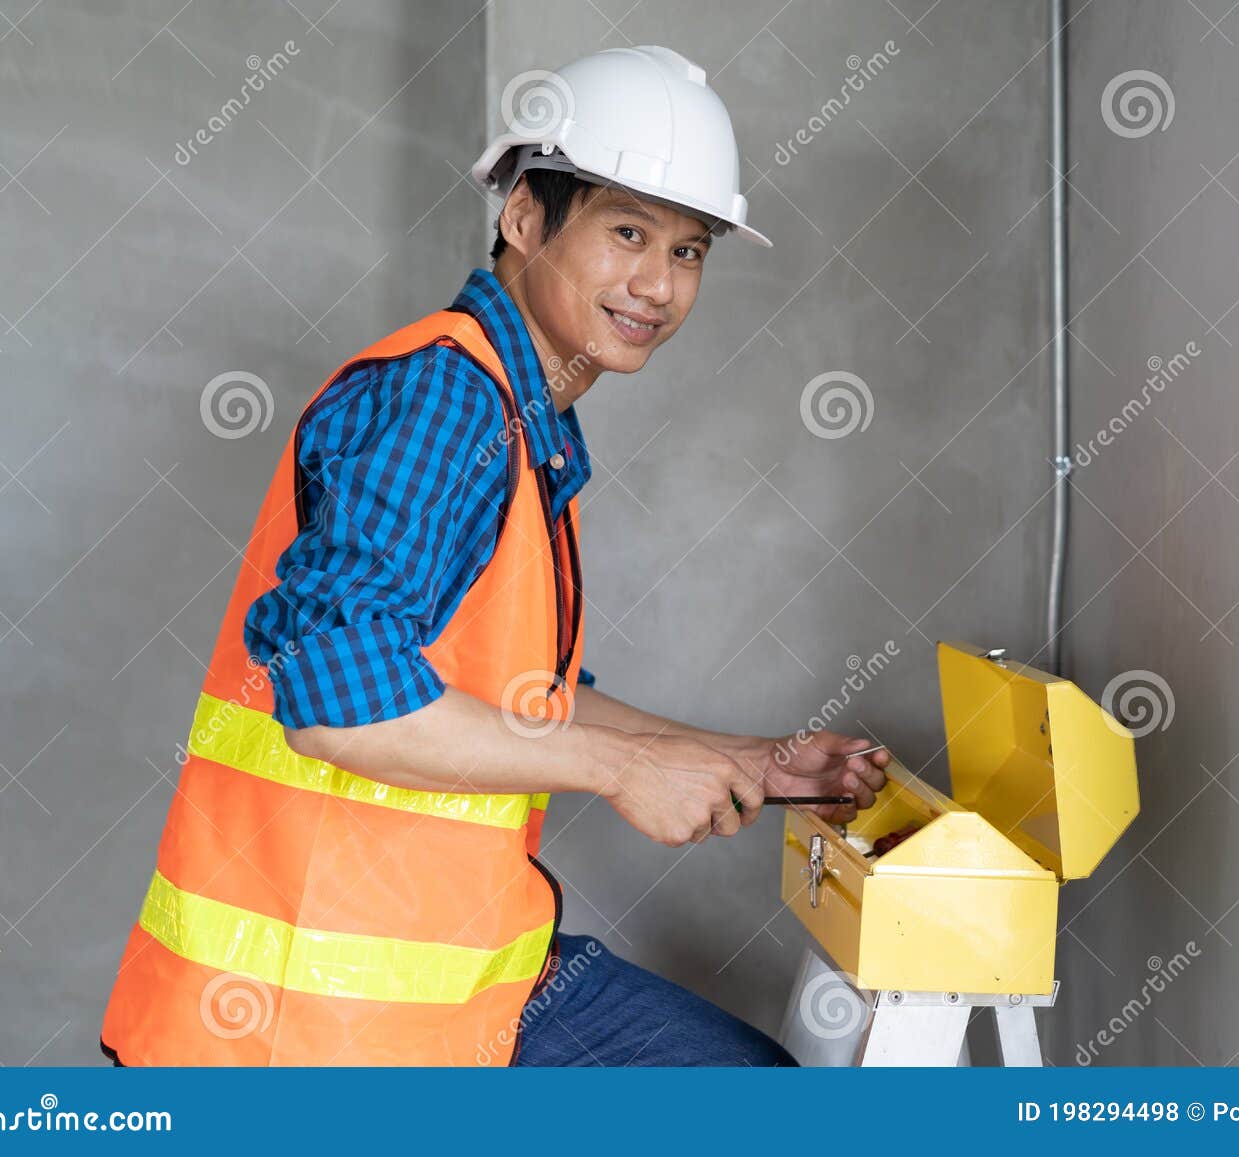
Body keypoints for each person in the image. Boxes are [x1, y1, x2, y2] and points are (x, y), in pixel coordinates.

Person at [100, 44, 889, 1068]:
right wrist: (624, 767)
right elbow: (340, 694)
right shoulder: (445, 398)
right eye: (626, 231)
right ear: (524, 217)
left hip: (454, 972)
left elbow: (525, 694)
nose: (657, 282)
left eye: (689, 250)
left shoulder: (518, 422)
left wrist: (745, 761)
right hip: (297, 1028)